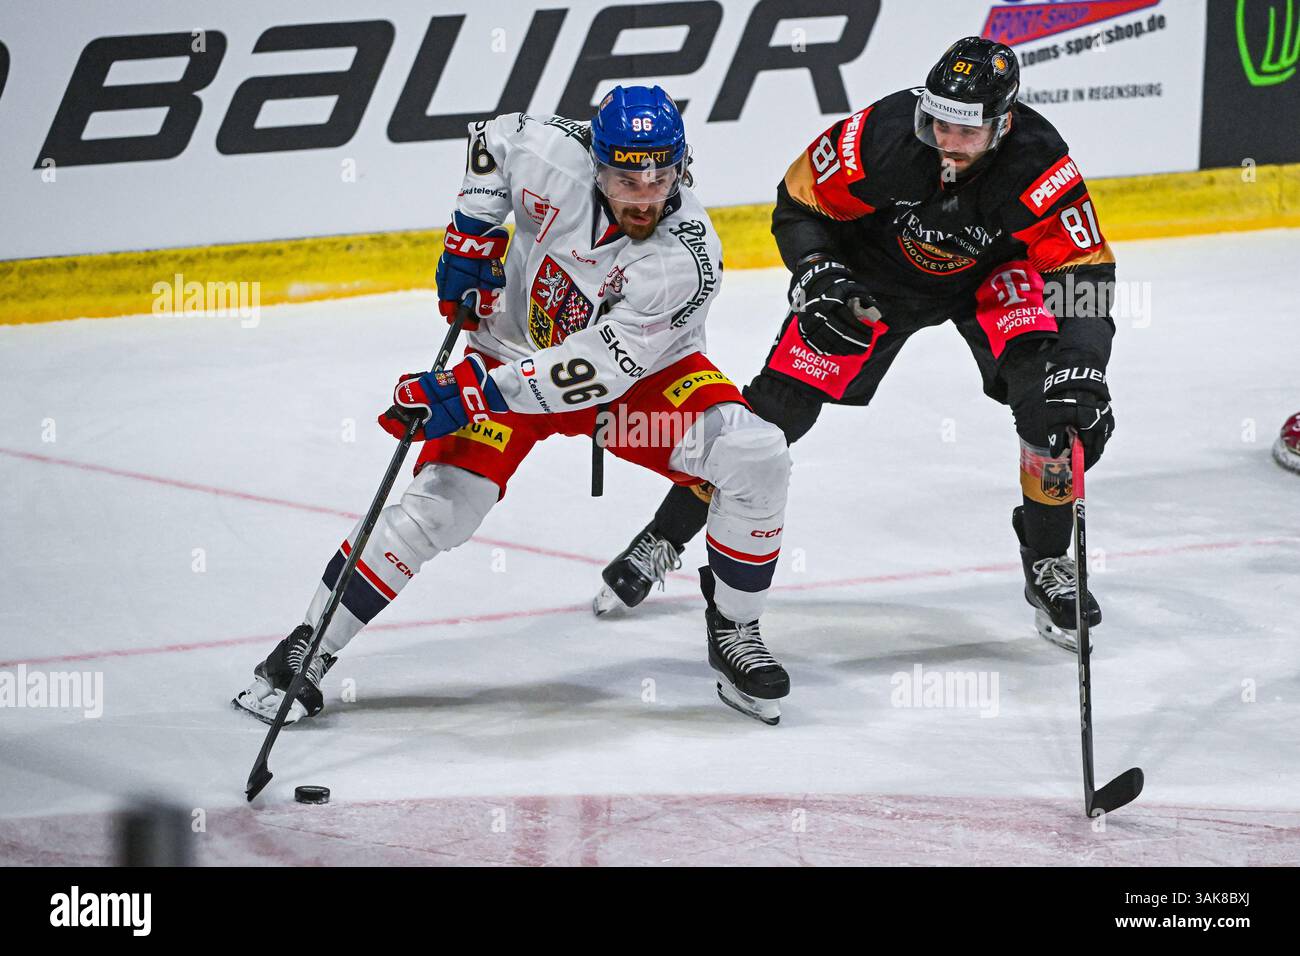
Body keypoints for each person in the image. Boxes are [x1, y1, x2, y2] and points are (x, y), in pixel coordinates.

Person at [234, 86, 793, 726]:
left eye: (661, 176)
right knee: (441, 507)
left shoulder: (684, 258)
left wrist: (467, 394)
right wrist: (469, 234)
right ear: (594, 164)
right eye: (624, 177)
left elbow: (600, 371)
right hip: (507, 352)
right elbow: (492, 140)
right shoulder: (552, 153)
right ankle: (307, 646)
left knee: (755, 455)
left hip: (632, 390)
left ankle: (736, 631)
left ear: (683, 166)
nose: (644, 196)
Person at [595, 38, 1117, 653]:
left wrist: (1082, 368)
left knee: (1051, 412)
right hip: (872, 279)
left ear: (1004, 126)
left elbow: (1081, 270)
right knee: (772, 415)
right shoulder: (885, 134)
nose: (947, 140)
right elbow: (797, 201)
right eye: (938, 121)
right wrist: (819, 273)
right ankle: (664, 535)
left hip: (993, 279)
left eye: (967, 132)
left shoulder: (1040, 162)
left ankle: (1048, 559)